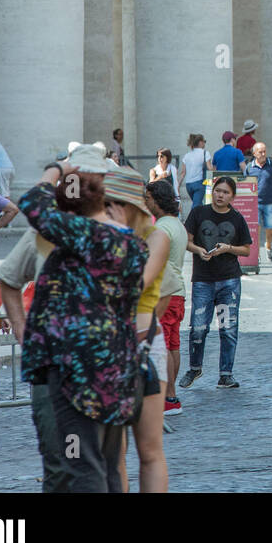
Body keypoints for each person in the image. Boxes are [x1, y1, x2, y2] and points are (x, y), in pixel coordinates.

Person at [19, 142, 147, 493]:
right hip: (117, 371)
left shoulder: (87, 235)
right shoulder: (130, 242)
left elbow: (32, 204)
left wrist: (55, 169)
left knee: (80, 465)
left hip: (79, 377)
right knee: (106, 467)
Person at [102, 167, 170, 493]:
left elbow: (134, 284)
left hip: (145, 344)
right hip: (108, 346)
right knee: (115, 452)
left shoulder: (157, 237)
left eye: (111, 202)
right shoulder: (102, 236)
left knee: (149, 449)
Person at [179, 176, 251, 389]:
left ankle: (226, 374)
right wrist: (199, 250)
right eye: (218, 191)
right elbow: (186, 240)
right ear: (213, 191)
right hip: (203, 280)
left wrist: (228, 249)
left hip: (229, 280)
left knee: (228, 328)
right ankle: (194, 368)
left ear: (233, 197)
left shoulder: (237, 218)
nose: (221, 195)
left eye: (226, 192)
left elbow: (246, 248)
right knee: (198, 327)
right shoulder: (199, 213)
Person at [145, 181, 187, 417]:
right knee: (172, 345)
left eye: (148, 198)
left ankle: (169, 397)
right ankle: (171, 396)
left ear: (158, 200)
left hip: (166, 293)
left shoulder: (162, 228)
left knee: (165, 345)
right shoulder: (175, 224)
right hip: (176, 292)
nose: (146, 202)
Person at [244, 143, 272, 263]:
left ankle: (268, 245)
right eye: (260, 152)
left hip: (270, 201)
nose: (263, 154)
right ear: (254, 153)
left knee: (270, 229)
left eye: (265, 151)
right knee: (255, 229)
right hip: (254, 203)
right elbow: (245, 185)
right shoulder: (249, 167)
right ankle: (256, 253)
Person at [180, 134, 212, 211]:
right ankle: (191, 222)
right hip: (199, 184)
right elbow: (210, 168)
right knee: (196, 207)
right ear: (200, 142)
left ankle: (202, 221)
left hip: (188, 185)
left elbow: (183, 173)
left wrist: (178, 185)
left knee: (199, 205)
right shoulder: (205, 153)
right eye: (204, 141)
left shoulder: (186, 155)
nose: (204, 143)